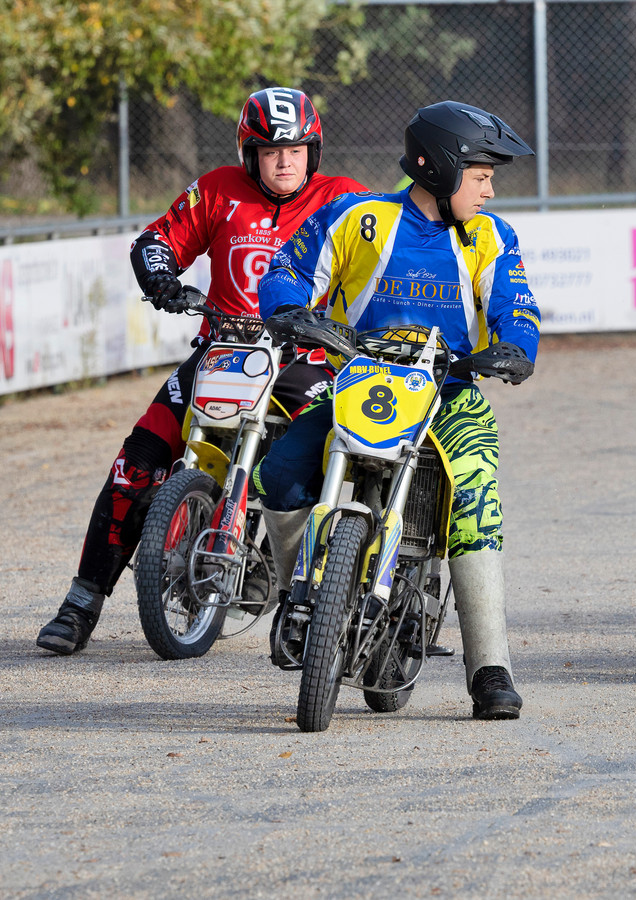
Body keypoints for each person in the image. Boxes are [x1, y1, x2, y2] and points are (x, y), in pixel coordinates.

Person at [35, 87, 368, 656]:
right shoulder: (216, 190)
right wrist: (161, 278)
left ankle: (331, 603)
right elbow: (157, 240)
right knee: (135, 461)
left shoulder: (348, 199)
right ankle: (82, 601)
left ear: (314, 150)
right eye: (269, 150)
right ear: (248, 154)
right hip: (223, 350)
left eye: (296, 149)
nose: (284, 160)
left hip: (308, 362)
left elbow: (386, 260)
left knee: (341, 461)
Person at [253, 100, 541, 720]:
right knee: (277, 475)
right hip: (358, 381)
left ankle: (490, 667)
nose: (490, 190)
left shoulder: (491, 238)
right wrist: (287, 306)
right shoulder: (359, 218)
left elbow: (515, 305)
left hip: (451, 395)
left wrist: (515, 346)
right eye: (481, 174)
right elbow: (290, 268)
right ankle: (297, 599)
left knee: (475, 499)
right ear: (439, 167)